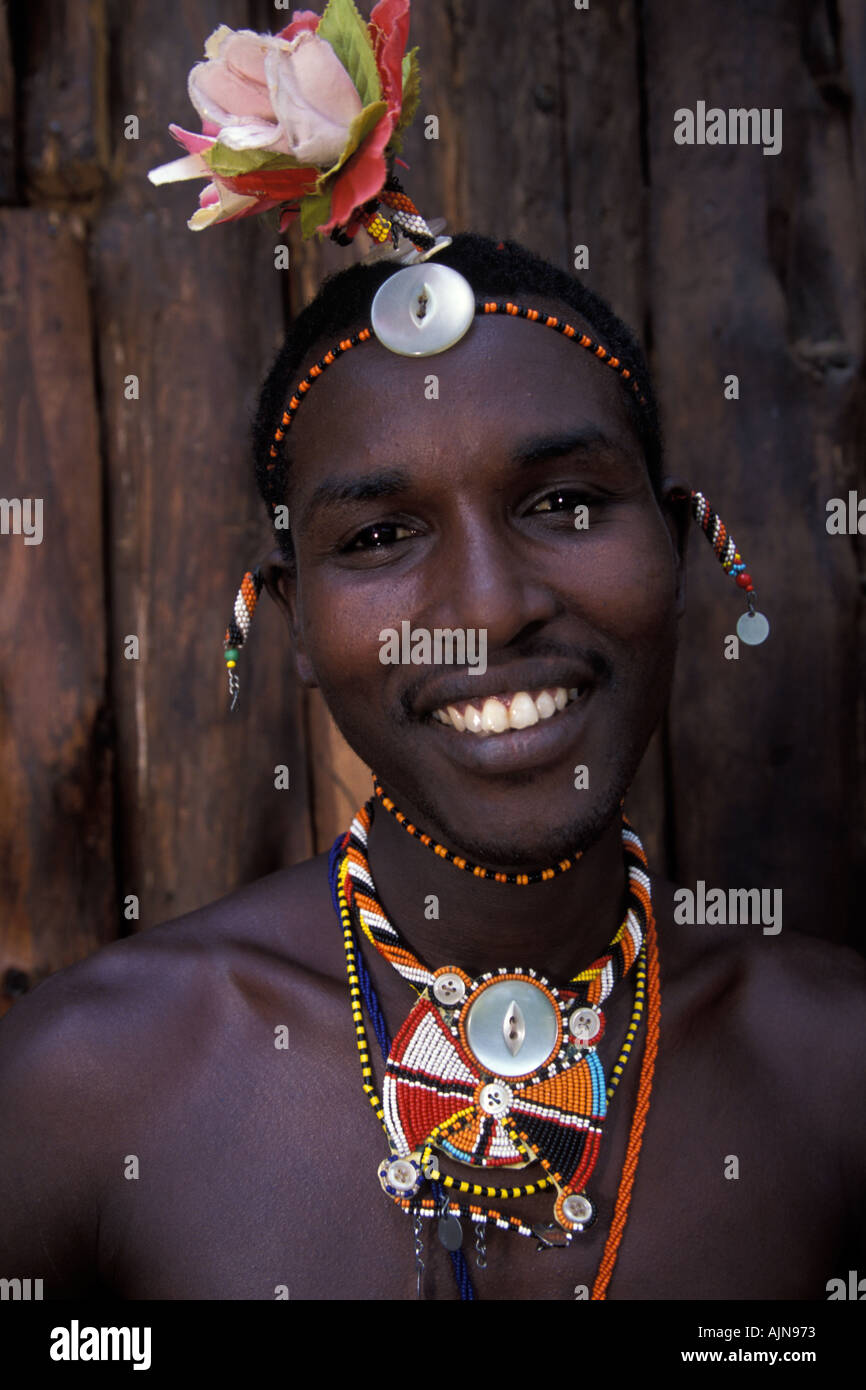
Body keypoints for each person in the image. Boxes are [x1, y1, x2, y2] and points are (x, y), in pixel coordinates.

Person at [1, 228, 864, 1302]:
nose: (489, 609)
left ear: (680, 550)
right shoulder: (84, 1086)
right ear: (296, 625)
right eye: (377, 537)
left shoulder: (832, 1073)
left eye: (564, 505)